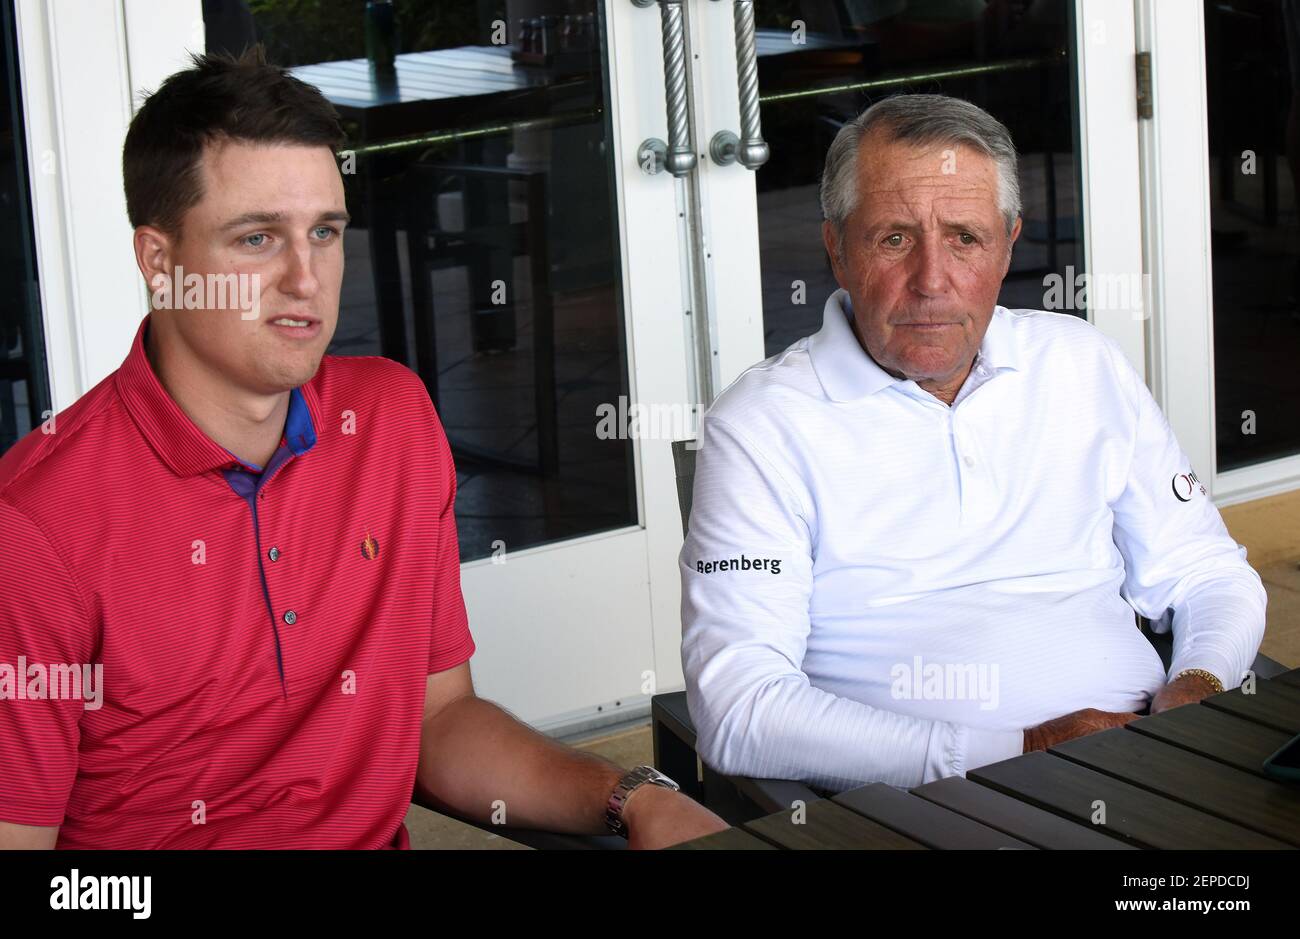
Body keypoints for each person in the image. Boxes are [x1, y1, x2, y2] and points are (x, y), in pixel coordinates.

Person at [0, 48, 726, 849]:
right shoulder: (35, 526)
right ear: (160, 262)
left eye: (324, 231)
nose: (306, 278)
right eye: (256, 239)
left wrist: (636, 796)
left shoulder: (388, 421)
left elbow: (439, 716)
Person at [680, 94, 1267, 792]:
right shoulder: (761, 426)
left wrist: (1199, 683)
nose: (931, 281)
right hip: (928, 805)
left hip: (1145, 767)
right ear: (836, 249)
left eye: (964, 237)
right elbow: (740, 711)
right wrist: (1012, 746)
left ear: (1008, 242)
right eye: (894, 238)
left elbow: (1207, 571)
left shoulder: (1079, 363)